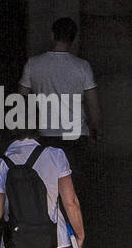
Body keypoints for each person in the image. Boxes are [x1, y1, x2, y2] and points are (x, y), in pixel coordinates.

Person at [19, 18, 102, 186]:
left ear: (52, 35)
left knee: (48, 187)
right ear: (73, 39)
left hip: (45, 135)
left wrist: (26, 132)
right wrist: (96, 131)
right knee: (74, 188)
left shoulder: (33, 64)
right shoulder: (82, 66)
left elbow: (21, 100)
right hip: (76, 135)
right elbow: (93, 104)